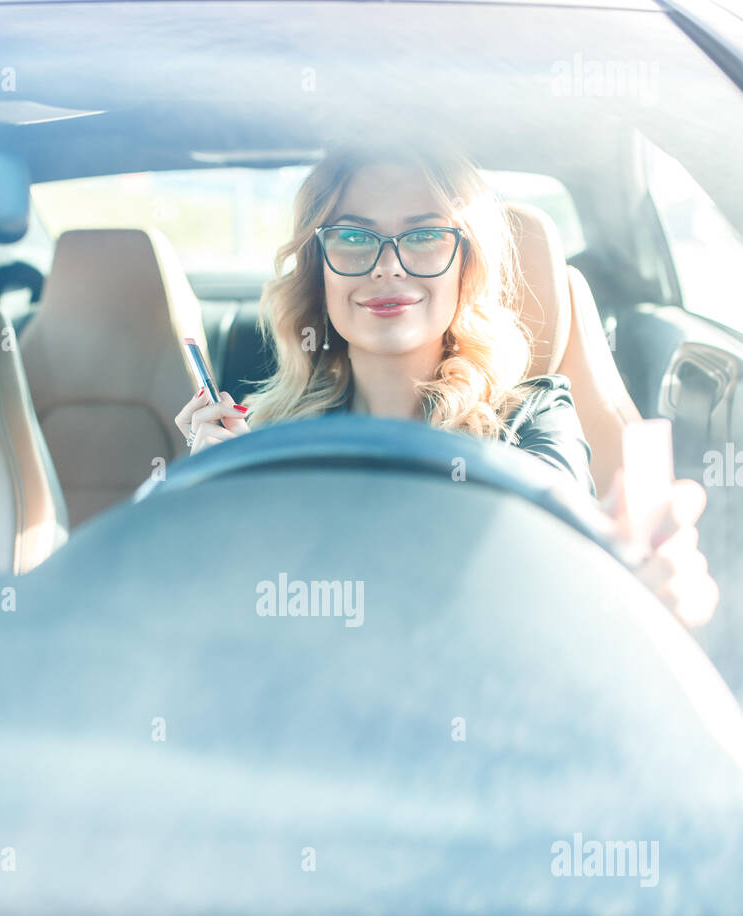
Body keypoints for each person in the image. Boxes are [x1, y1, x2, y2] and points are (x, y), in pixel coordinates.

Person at [175, 146, 718, 628]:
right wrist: (211, 502)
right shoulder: (266, 438)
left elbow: (555, 574)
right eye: (353, 237)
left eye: (426, 236)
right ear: (321, 269)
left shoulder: (532, 414)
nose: (387, 267)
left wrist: (644, 582)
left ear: (467, 264)